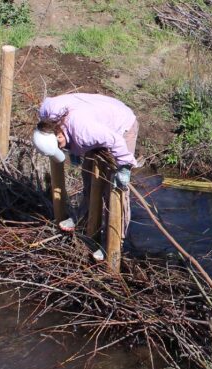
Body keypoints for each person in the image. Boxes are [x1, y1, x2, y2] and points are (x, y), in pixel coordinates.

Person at [32, 93, 138, 253]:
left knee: (115, 189)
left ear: (59, 134)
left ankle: (113, 243)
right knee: (88, 178)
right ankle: (82, 218)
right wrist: (72, 148)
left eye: (60, 145)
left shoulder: (85, 132)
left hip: (121, 126)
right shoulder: (47, 114)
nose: (61, 149)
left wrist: (124, 167)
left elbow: (116, 141)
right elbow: (48, 102)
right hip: (95, 118)